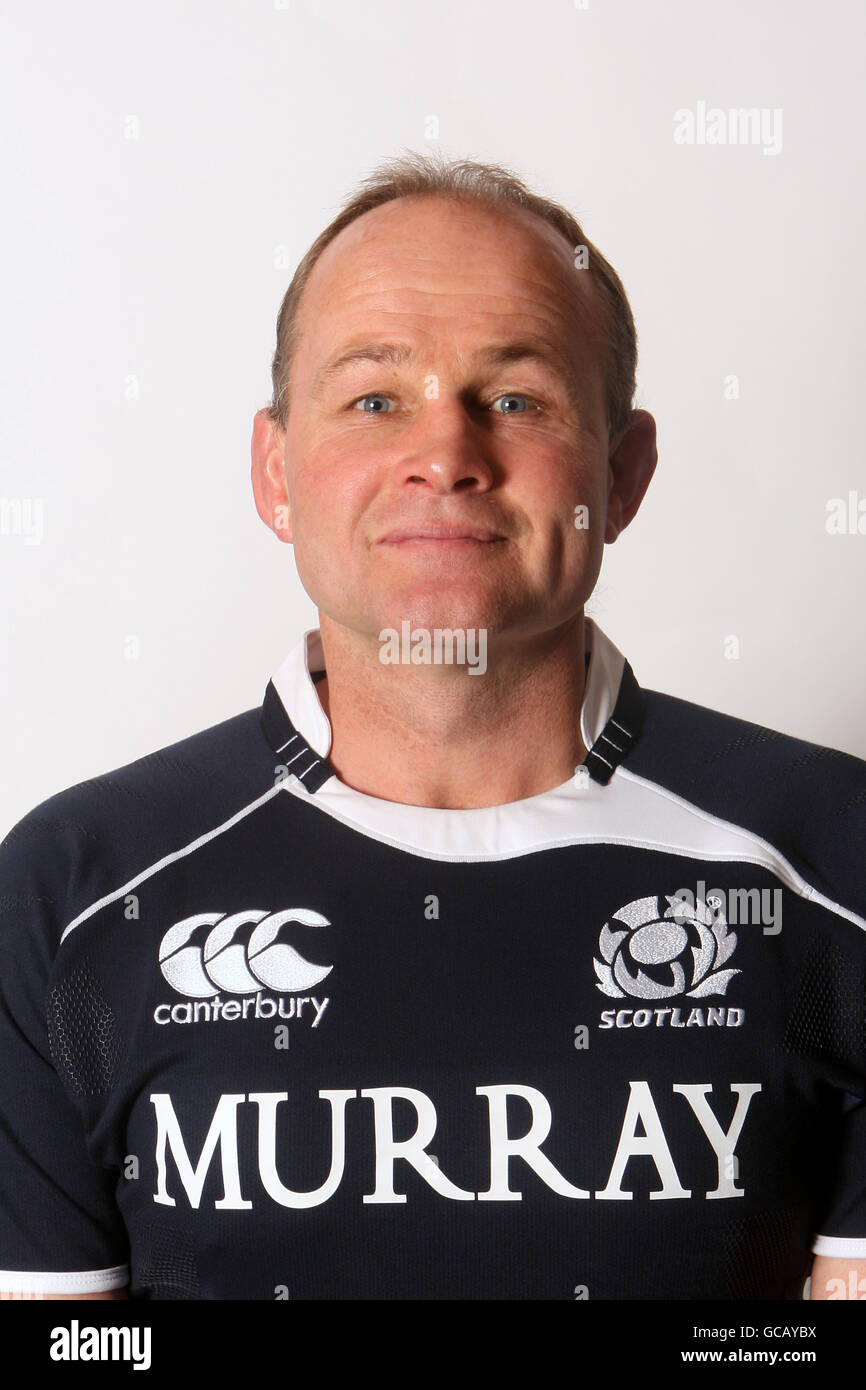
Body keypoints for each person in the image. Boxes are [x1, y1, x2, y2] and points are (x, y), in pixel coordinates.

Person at [1, 152, 864, 1301]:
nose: (445, 457)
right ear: (275, 473)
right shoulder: (73, 893)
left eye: (515, 399)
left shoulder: (835, 854)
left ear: (622, 472)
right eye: (372, 398)